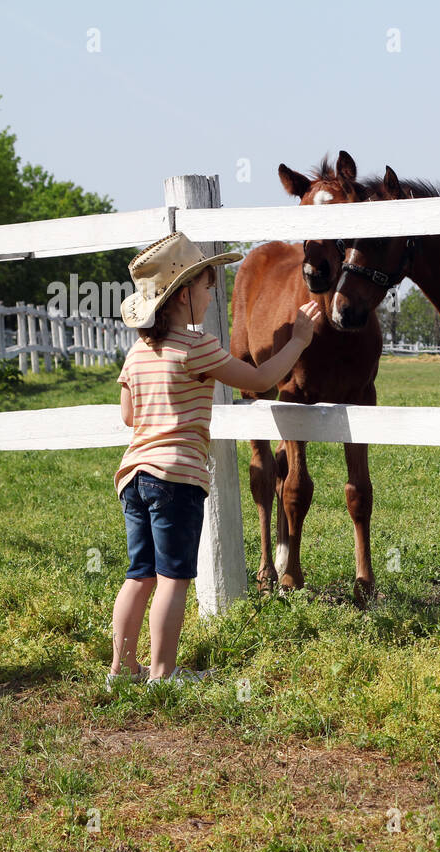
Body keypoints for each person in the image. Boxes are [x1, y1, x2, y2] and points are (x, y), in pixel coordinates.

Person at [107, 232, 318, 688]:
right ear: (183, 294)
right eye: (206, 285)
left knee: (140, 575)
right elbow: (261, 377)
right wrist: (298, 339)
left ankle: (122, 669)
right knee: (174, 577)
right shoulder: (196, 346)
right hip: (176, 478)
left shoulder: (139, 350)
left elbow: (128, 415)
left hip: (134, 476)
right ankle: (163, 672)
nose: (212, 293)